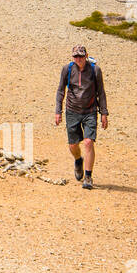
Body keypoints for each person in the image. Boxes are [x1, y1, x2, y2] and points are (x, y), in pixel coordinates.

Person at [54, 45, 109, 189]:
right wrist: (58, 111)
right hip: (72, 111)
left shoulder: (95, 70)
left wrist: (104, 113)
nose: (78, 59)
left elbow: (101, 92)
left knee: (88, 142)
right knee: (73, 145)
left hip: (90, 111)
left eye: (81, 56)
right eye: (76, 56)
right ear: (72, 57)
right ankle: (78, 160)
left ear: (86, 56)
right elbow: (61, 90)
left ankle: (88, 177)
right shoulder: (67, 69)